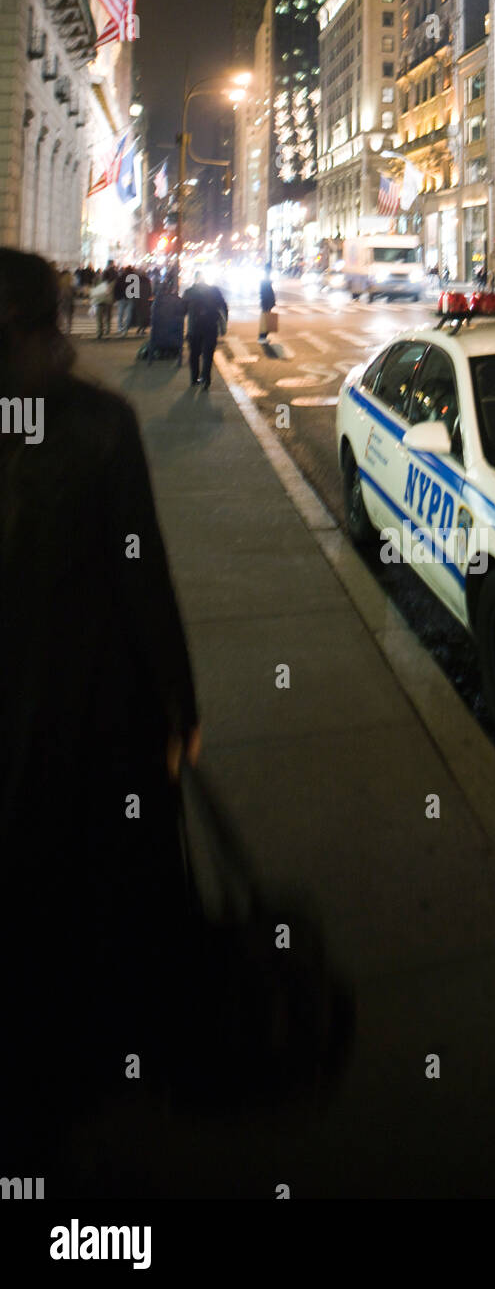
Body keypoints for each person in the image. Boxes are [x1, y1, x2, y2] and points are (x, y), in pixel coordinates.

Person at [0, 248, 200, 1167]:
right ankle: (102, 1066)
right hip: (87, 714)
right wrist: (178, 702)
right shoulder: (98, 425)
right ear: (52, 323)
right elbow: (140, 575)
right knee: (97, 894)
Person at [182, 272, 228, 390]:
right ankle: (206, 379)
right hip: (211, 327)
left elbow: (182, 310)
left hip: (194, 327)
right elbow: (223, 306)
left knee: (194, 354)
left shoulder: (189, 292)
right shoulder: (214, 291)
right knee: (208, 355)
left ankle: (194, 378)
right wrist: (224, 323)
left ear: (195, 279)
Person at [90, 269, 114, 339]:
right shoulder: (110, 282)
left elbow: (93, 290)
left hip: (99, 302)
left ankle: (99, 332)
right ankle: (107, 330)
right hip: (107, 302)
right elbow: (110, 292)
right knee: (107, 317)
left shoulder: (97, 281)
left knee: (99, 319)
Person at [258, 270, 276, 343]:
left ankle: (263, 337)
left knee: (265, 322)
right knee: (265, 322)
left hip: (266, 304)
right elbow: (268, 295)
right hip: (266, 305)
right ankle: (262, 337)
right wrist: (270, 304)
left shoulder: (265, 283)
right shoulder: (266, 284)